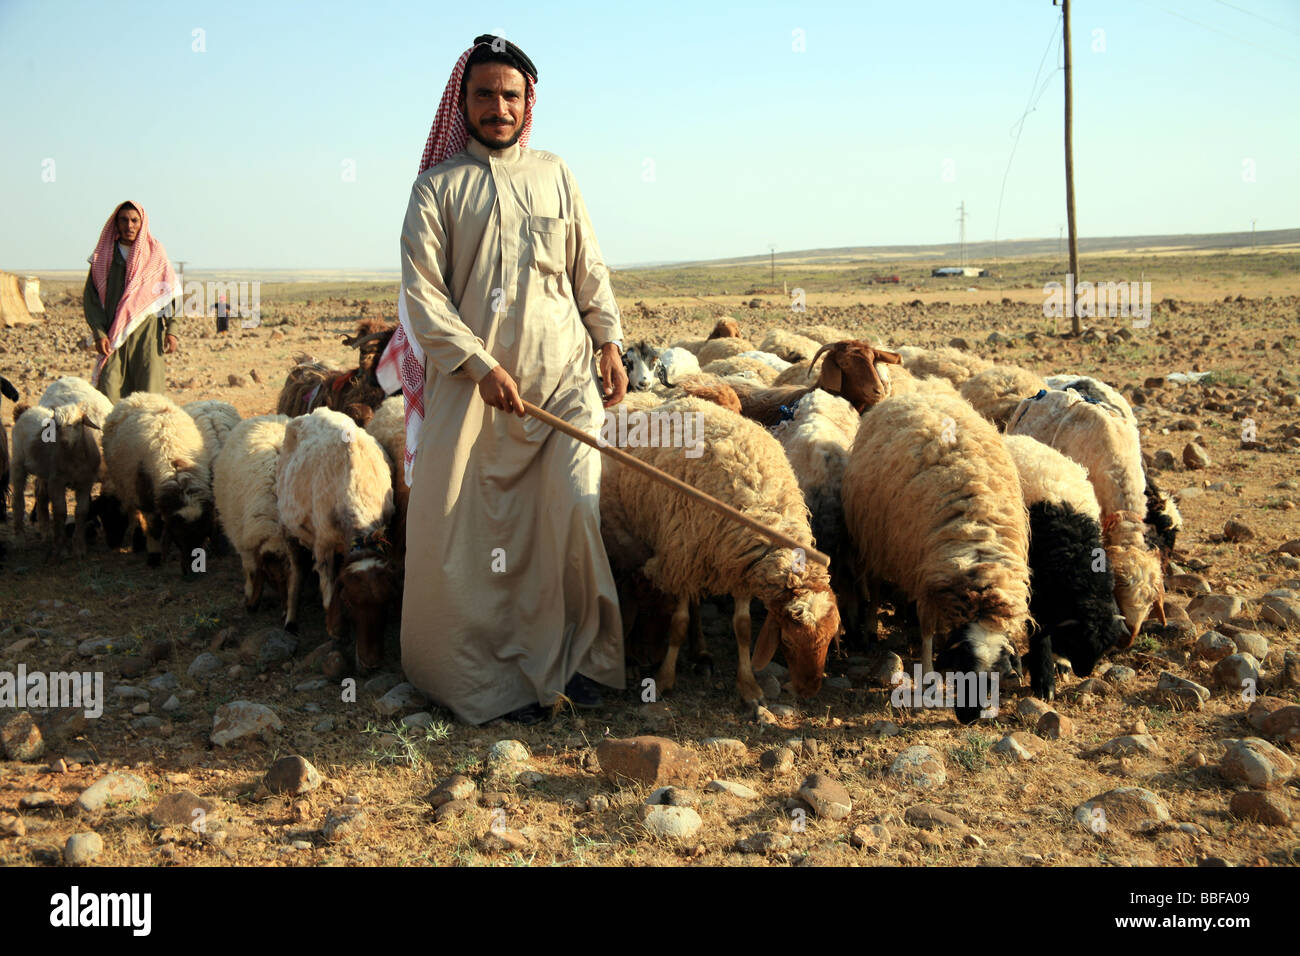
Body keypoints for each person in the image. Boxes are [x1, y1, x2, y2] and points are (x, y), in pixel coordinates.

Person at [379, 34, 628, 725]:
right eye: (484, 94)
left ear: (530, 103)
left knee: (574, 511)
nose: (498, 107)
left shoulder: (556, 174)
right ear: (463, 102)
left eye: (510, 95)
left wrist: (607, 340)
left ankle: (580, 663)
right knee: (473, 533)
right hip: (478, 391)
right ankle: (484, 681)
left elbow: (588, 267)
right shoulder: (436, 189)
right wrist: (479, 364)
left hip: (563, 384)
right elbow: (424, 295)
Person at [83, 201, 180, 401]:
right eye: (124, 220)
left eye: (135, 220)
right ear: (116, 224)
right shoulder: (104, 256)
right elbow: (91, 299)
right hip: (114, 337)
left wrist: (172, 330)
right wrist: (99, 333)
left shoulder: (155, 253)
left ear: (142, 223)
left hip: (148, 337)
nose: (129, 226)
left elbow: (169, 295)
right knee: (109, 397)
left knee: (149, 400)